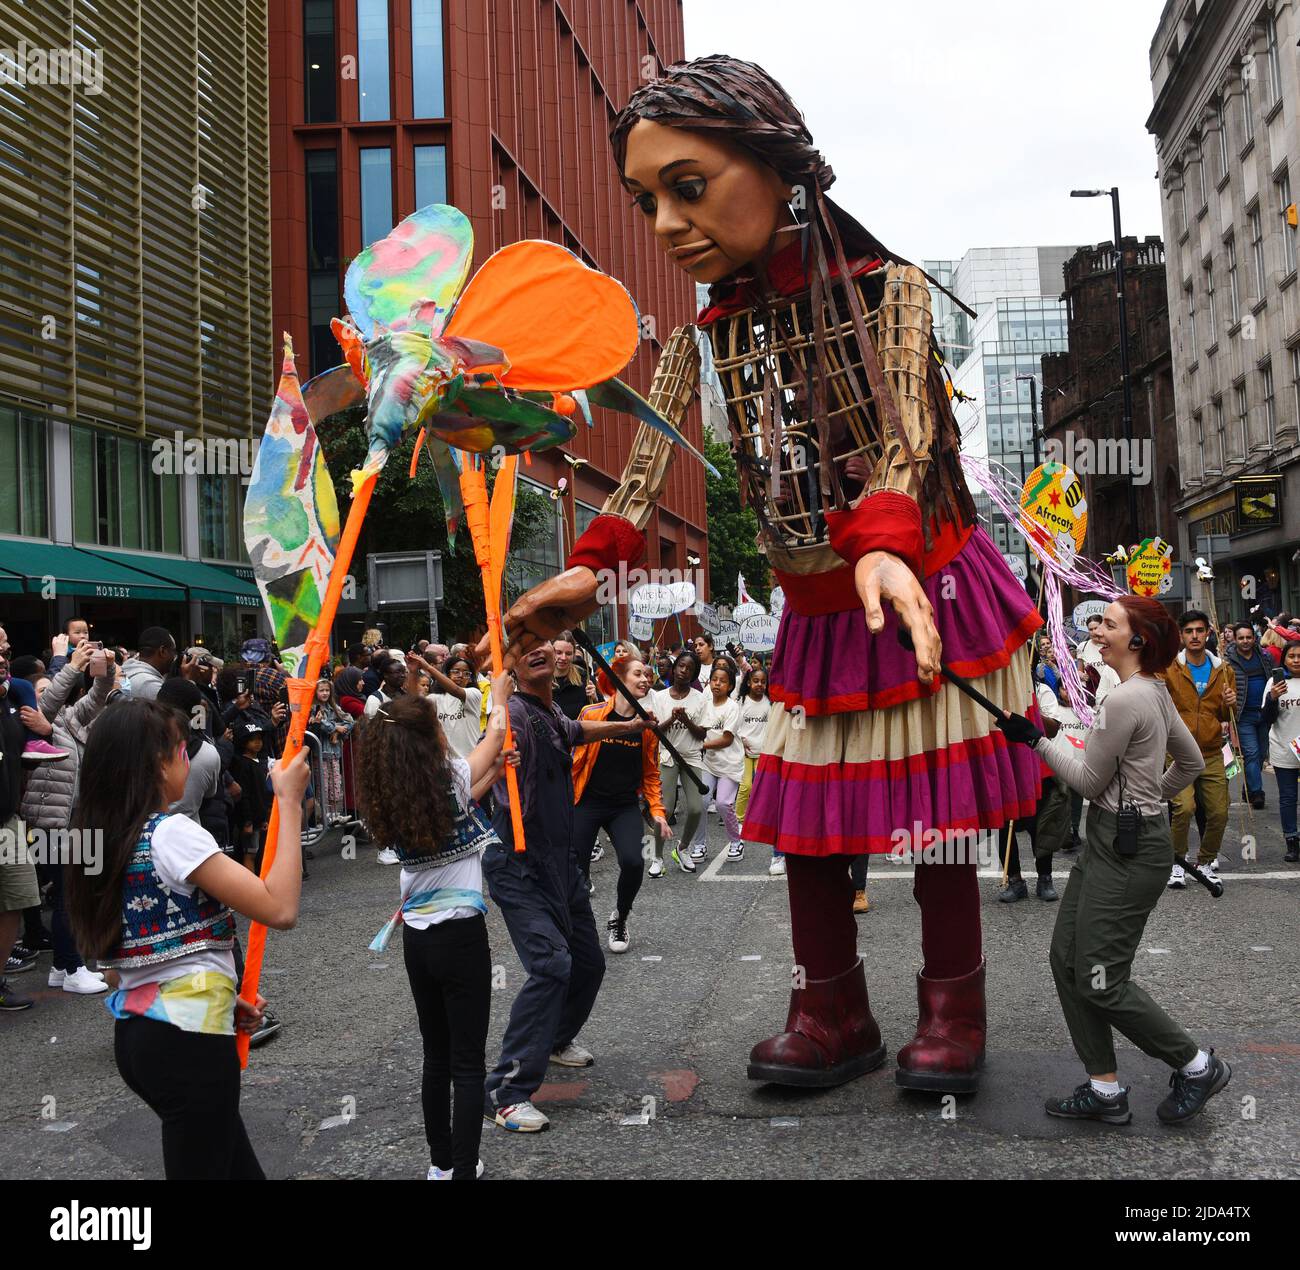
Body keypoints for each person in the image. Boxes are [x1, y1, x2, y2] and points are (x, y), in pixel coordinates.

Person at [490, 57, 1043, 1092]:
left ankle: (950, 1009)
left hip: (921, 580)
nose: (663, 223)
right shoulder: (707, 333)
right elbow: (645, 469)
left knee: (934, 823)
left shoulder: (891, 290)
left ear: (778, 168)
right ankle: (828, 1006)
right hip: (815, 606)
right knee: (806, 828)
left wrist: (880, 539)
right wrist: (587, 567)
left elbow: (909, 434)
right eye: (646, 200)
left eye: (686, 186)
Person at [998, 596, 1231, 1126]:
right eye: (1100, 622)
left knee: (1101, 977)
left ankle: (1195, 1065)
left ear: (1138, 640)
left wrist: (1034, 739)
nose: (1097, 630)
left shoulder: (1128, 699)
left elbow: (1084, 780)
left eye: (1109, 624)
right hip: (1116, 839)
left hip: (1125, 849)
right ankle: (1105, 1090)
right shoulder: (1151, 689)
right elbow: (1188, 762)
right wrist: (1147, 804)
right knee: (1067, 960)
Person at [65, 699, 308, 1178]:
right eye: (183, 751)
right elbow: (279, 908)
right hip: (186, 1043)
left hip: (142, 1037)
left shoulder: (99, 838)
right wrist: (290, 803)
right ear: (159, 763)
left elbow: (120, 964)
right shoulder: (173, 832)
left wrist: (212, 995)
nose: (189, 760)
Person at [481, 640, 651, 1134]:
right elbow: (497, 738)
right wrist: (496, 711)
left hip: (560, 864)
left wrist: (628, 727)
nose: (536, 652)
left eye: (544, 647)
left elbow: (575, 731)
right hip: (518, 864)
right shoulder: (513, 712)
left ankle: (555, 1040)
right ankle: (507, 1092)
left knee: (589, 962)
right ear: (511, 663)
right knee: (552, 965)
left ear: (561, 660)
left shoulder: (548, 708)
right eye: (524, 648)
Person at [358, 677, 516, 1180]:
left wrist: (493, 771)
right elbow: (493, 736)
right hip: (461, 937)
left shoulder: (394, 793)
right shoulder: (445, 773)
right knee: (469, 1065)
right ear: (429, 739)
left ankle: (442, 1166)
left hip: (417, 941)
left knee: (436, 1058)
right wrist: (499, 699)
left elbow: (464, 797)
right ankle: (466, 1170)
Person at [21, 641, 117, 994]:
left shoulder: (67, 719)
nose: (53, 694)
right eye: (44, 687)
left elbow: (97, 698)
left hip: (78, 819)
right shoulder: (30, 721)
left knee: (77, 892)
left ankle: (63, 967)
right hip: (49, 823)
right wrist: (71, 665)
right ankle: (74, 967)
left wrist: (102, 668)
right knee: (67, 896)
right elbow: (47, 704)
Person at [571, 654, 670, 953]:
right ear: (618, 679)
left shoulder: (647, 725)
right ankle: (578, 929)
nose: (645, 680)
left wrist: (658, 813)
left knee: (633, 861)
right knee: (575, 869)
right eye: (638, 674)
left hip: (623, 805)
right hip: (585, 802)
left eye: (648, 676)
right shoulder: (591, 713)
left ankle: (620, 917)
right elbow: (570, 757)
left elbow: (651, 774)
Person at [1161, 610, 1235, 889]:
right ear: (1181, 636)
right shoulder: (1169, 668)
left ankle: (1204, 863)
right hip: (1179, 751)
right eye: (1189, 631)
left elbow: (1228, 717)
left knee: (1219, 811)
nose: (1194, 636)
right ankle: (1177, 863)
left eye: (1199, 630)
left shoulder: (1223, 669)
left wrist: (1230, 702)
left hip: (1212, 751)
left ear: (1208, 634)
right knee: (1184, 807)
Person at [0, 649, 42, 1010]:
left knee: (16, 899)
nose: (2, 656)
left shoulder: (11, 700)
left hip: (8, 821)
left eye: (6, 650)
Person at [645, 651, 711, 876]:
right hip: (667, 756)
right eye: (681, 666)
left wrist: (686, 720)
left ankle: (682, 849)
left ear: (694, 674)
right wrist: (673, 718)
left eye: (689, 668)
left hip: (691, 757)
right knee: (664, 809)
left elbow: (702, 735)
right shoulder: (659, 696)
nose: (684, 670)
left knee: (695, 807)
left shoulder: (701, 699)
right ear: (674, 669)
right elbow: (653, 731)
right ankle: (657, 857)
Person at [692, 658, 746, 862]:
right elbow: (698, 730)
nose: (716, 683)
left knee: (723, 803)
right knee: (701, 803)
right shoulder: (704, 705)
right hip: (709, 763)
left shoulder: (732, 707)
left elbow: (726, 739)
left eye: (722, 681)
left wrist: (701, 746)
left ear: (730, 686)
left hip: (730, 764)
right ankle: (699, 845)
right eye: (714, 679)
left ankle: (736, 841)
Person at [734, 666, 778, 874]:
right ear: (748, 683)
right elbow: (735, 726)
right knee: (745, 786)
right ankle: (740, 820)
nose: (759, 685)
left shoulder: (770, 703)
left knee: (761, 788)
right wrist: (741, 743)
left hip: (764, 751)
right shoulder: (741, 702)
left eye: (763, 682)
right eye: (755, 681)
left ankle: (759, 819)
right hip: (744, 751)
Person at [1225, 621, 1272, 810]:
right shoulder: (1227, 661)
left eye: (1248, 637)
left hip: (1265, 713)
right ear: (1235, 640)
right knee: (1251, 753)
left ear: (1254, 638)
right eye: (1241, 638)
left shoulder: (1264, 657)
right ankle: (1256, 793)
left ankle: (1249, 786)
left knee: (1261, 754)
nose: (1245, 641)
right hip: (1243, 715)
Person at [1261, 640, 1300, 863]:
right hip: (1283, 747)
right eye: (1291, 656)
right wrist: (1272, 698)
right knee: (1287, 798)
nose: (1295, 660)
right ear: (1283, 659)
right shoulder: (1274, 683)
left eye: (1299, 656)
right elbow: (1266, 718)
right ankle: (1291, 841)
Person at [308, 676, 353, 824]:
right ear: (315, 692)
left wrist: (337, 732)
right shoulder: (313, 708)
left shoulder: (333, 707)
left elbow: (350, 721)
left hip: (334, 753)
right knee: (323, 785)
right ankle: (325, 815)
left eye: (327, 690)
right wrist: (335, 727)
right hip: (320, 753)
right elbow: (319, 723)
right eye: (321, 690)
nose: (325, 693)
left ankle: (334, 814)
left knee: (335, 783)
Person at [122, 627, 176, 701]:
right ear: (162, 651)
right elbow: (175, 711)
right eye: (173, 651)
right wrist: (189, 681)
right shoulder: (149, 685)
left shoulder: (128, 672)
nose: (175, 656)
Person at [551, 634, 598, 720]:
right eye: (559, 653)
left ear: (573, 655)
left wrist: (595, 699)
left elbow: (601, 714)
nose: (563, 657)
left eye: (568, 653)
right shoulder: (541, 679)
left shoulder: (586, 679)